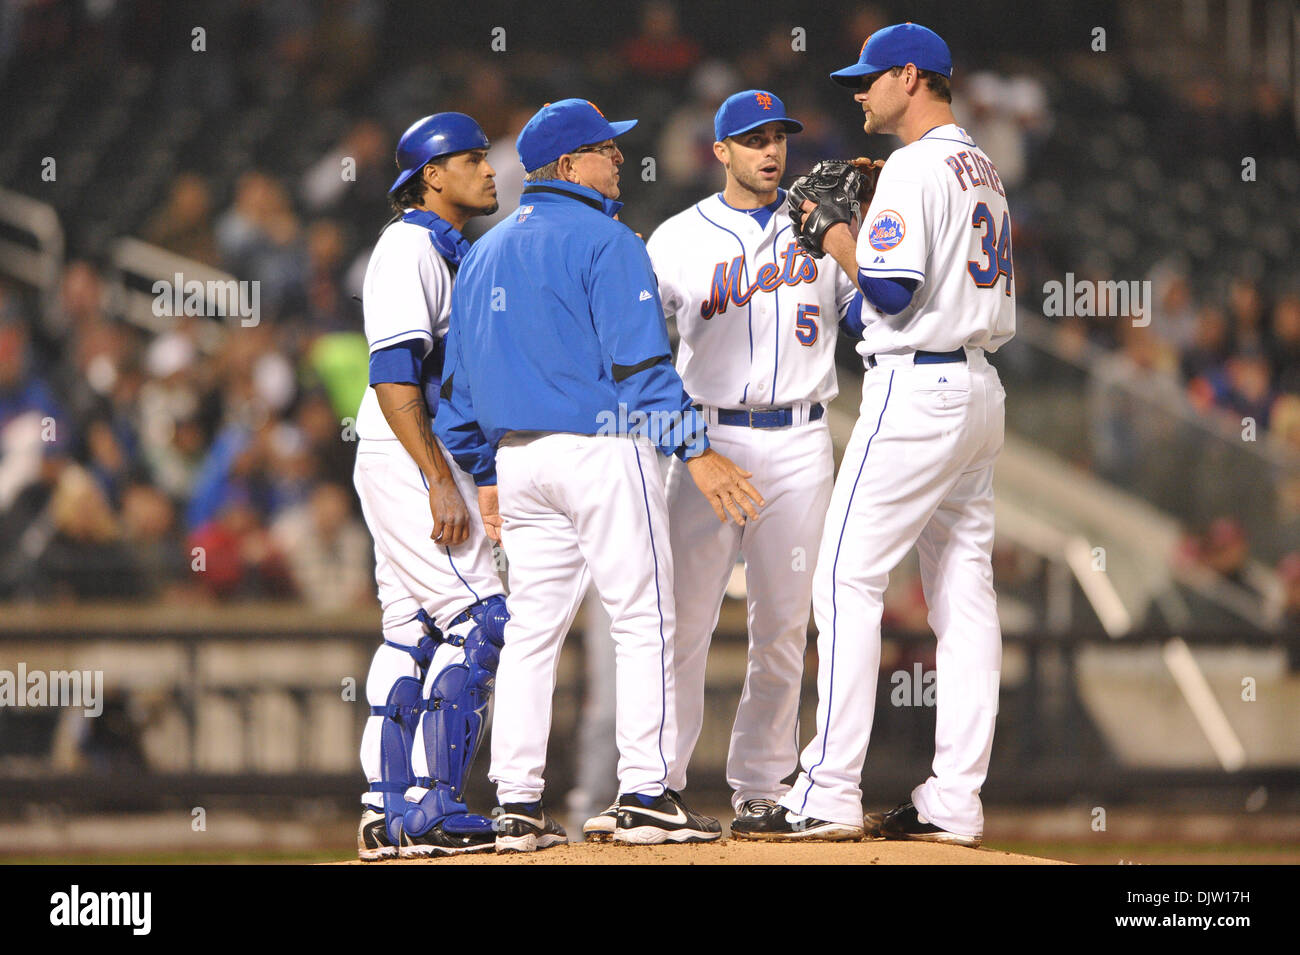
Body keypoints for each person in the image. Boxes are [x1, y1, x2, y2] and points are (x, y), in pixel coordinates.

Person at [435, 98, 763, 851]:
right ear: (569, 165)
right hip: (602, 451)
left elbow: (455, 394)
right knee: (644, 617)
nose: (619, 160)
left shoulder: (482, 250)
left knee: (530, 633)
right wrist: (697, 449)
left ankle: (514, 804)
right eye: (605, 150)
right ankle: (646, 790)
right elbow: (644, 368)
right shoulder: (608, 242)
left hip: (520, 462)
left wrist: (485, 471)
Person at [733, 23, 1015, 846]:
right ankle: (955, 800)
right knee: (966, 598)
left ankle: (825, 787)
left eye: (869, 80)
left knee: (843, 578)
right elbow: (887, 297)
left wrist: (831, 231)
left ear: (910, 76)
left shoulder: (918, 166)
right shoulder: (979, 163)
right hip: (978, 390)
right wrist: (870, 212)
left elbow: (886, 291)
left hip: (918, 388)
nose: (857, 93)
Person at [583, 90, 864, 841]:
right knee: (681, 624)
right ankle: (655, 784)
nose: (770, 150)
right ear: (721, 152)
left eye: (779, 137)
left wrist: (860, 234)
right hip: (706, 442)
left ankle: (763, 787)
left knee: (783, 625)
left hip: (802, 439)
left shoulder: (820, 231)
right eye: (752, 138)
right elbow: (632, 347)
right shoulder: (676, 238)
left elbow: (876, 310)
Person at [352, 113, 510, 860]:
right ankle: (436, 803)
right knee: (480, 620)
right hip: (409, 450)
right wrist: (440, 478)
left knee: (410, 627)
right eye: (471, 158)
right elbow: (391, 374)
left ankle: (388, 810)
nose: (488, 168)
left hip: (408, 451)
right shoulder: (409, 246)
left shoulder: (442, 249)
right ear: (432, 176)